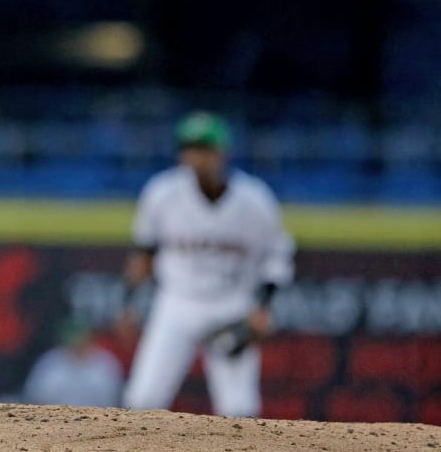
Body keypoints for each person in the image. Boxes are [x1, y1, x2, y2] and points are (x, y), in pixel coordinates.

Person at [117, 110, 295, 417]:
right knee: (142, 398)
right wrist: (129, 303)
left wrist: (262, 308)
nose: (197, 156)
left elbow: (277, 258)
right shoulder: (162, 193)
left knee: (239, 409)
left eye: (204, 148)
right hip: (178, 302)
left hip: (232, 305)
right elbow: (144, 252)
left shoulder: (255, 200)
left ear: (222, 152)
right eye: (190, 149)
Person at [23, 315, 123, 408]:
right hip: (55, 422)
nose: (76, 346)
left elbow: (114, 402)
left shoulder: (106, 363)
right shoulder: (49, 363)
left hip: (98, 421)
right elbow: (34, 399)